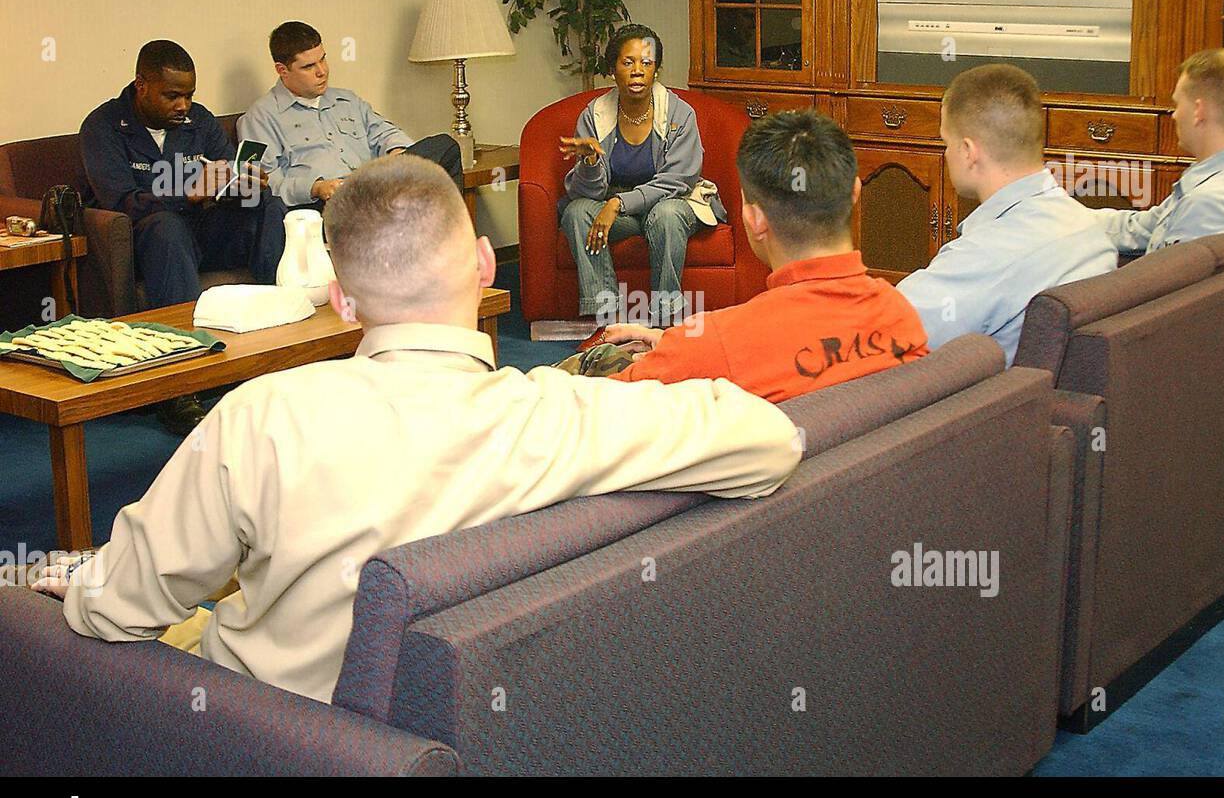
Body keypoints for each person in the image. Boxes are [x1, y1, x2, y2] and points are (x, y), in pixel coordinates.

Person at [33, 155, 801, 706]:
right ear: (481, 265)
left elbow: (120, 608)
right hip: (459, 726)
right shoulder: (560, 420)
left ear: (340, 300)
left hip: (266, 734)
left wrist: (84, 581)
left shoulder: (260, 417)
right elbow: (772, 441)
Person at [580, 110, 929, 403]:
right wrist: (676, 343)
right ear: (855, 192)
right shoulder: (902, 316)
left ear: (755, 219)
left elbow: (584, 415)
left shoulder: (719, 341)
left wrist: (686, 350)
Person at [80, 40, 285, 435]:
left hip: (204, 232)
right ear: (141, 85)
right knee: (166, 226)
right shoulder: (103, 127)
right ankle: (181, 384)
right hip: (149, 243)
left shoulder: (200, 122)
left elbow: (226, 171)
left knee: (268, 207)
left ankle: (280, 346)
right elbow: (118, 201)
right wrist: (185, 192)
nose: (183, 105)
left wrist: (245, 183)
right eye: (172, 95)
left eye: (189, 95)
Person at [897, 64, 1117, 366]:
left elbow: (881, 331)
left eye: (946, 142)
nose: (946, 154)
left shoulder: (985, 257)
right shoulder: (1089, 228)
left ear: (968, 151)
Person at [558, 23, 726, 338]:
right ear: (612, 70)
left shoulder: (679, 113)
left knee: (666, 215)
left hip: (671, 205)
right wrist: (591, 161)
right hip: (623, 212)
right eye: (628, 62)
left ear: (656, 71)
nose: (638, 71)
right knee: (577, 211)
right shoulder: (594, 116)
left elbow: (678, 179)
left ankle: (664, 325)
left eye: (646, 63)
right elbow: (585, 193)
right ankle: (608, 323)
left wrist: (619, 203)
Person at [237, 21, 463, 208]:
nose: (322, 71)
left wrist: (397, 153)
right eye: (308, 67)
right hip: (327, 204)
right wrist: (316, 187)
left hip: (374, 184)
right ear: (282, 70)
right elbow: (263, 186)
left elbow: (385, 132)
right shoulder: (259, 118)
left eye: (323, 59)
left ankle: (452, 243)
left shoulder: (347, 100)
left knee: (445, 146)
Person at [1096, 48, 1224, 254]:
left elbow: (1164, 283)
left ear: (1198, 111)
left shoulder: (1212, 205)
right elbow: (1138, 228)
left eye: (1177, 104)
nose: (1174, 115)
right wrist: (1064, 215)